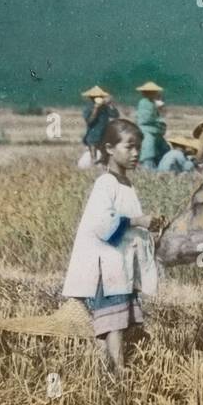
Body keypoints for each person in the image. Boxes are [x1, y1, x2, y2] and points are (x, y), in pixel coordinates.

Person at [61, 118, 167, 374]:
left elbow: (125, 225)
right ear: (109, 148)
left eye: (138, 147)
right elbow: (103, 224)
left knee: (119, 314)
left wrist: (147, 228)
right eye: (129, 147)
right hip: (108, 265)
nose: (136, 153)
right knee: (114, 318)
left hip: (120, 263)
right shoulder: (105, 184)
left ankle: (110, 362)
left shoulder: (127, 185)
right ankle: (119, 369)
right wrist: (139, 220)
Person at [79, 85, 120, 168]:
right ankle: (93, 168)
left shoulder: (105, 107)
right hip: (93, 135)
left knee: (104, 156)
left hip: (104, 133)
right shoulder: (88, 108)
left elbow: (115, 115)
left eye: (100, 96)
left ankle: (103, 168)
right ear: (91, 98)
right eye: (95, 97)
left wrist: (110, 105)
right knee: (93, 157)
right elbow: (89, 121)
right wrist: (95, 109)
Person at [133, 80, 171, 169]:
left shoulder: (152, 103)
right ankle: (148, 169)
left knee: (164, 149)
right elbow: (146, 119)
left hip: (155, 132)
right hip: (147, 132)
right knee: (148, 152)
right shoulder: (144, 103)